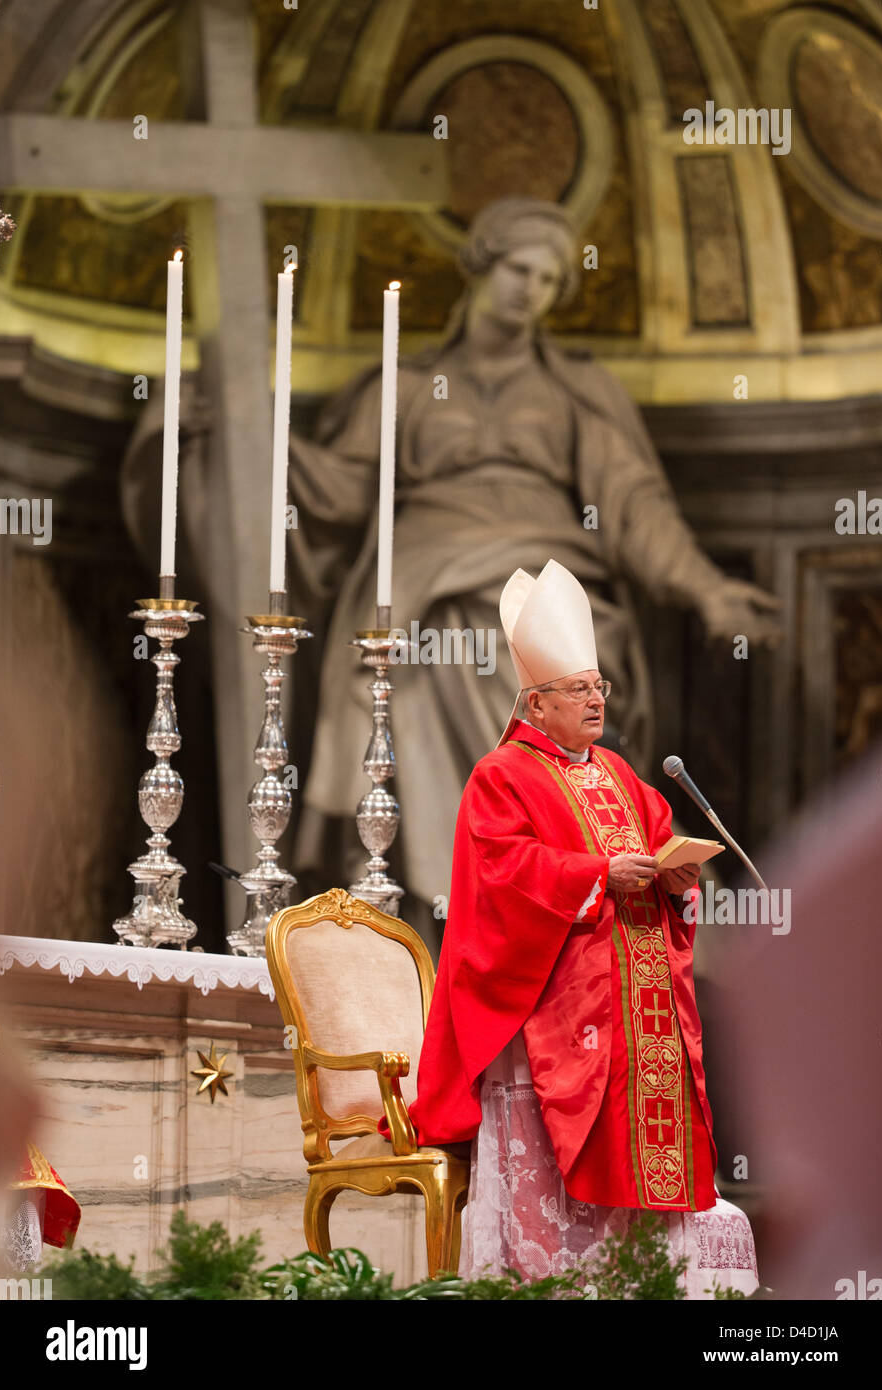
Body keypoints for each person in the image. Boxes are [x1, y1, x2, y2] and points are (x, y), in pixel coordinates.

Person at [288, 197, 779, 938]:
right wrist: (257, 445)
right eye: (519, 267)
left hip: (546, 579)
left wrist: (706, 590)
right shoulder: (407, 382)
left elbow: (634, 505)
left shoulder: (574, 388)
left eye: (550, 279)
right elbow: (340, 491)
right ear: (483, 266)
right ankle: (433, 914)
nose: (531, 288)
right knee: (412, 668)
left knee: (531, 667)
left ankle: (543, 899)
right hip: (420, 577)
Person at [383, 559, 758, 1295]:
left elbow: (656, 857)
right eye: (579, 689)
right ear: (535, 702)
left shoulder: (624, 776)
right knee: (555, 1210)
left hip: (636, 1016)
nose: (596, 700)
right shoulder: (502, 775)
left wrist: (678, 885)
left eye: (599, 687)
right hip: (550, 1021)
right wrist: (596, 877)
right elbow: (500, 876)